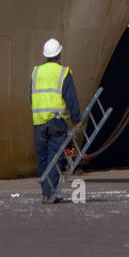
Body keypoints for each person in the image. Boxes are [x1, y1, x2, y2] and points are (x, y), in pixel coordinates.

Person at [31, 38, 81, 203]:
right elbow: (71, 98)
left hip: (39, 121)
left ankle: (47, 192)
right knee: (55, 157)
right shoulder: (63, 72)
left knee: (43, 158)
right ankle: (49, 193)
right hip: (57, 121)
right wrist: (77, 120)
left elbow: (32, 96)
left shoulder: (36, 72)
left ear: (45, 55)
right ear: (59, 53)